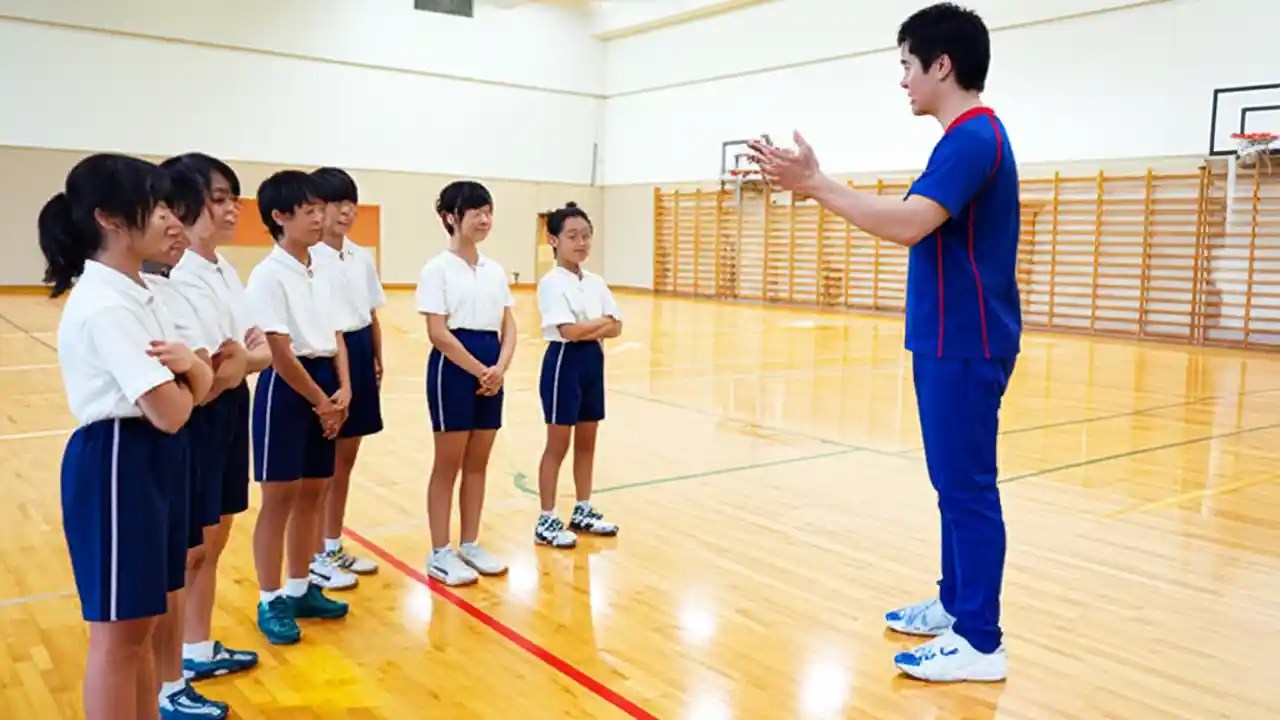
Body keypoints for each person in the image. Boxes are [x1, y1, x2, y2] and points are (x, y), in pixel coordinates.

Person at [749, 2, 1019, 683]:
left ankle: (980, 641)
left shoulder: (973, 139)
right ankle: (956, 604)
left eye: (907, 65)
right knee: (951, 484)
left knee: (967, 488)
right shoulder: (962, 139)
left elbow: (907, 224)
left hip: (966, 341)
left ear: (941, 65)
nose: (902, 80)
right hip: (949, 340)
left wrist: (815, 184)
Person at [40, 153, 214, 720]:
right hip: (118, 460)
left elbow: (196, 384)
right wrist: (194, 376)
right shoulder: (105, 305)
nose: (171, 219)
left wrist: (193, 373)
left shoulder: (141, 293)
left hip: (152, 459)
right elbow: (172, 409)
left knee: (143, 625)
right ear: (110, 218)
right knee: (119, 638)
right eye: (157, 206)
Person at [163, 153, 270, 681]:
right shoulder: (176, 276)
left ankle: (198, 648)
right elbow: (207, 371)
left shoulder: (225, 269)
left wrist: (238, 361)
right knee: (191, 549)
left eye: (234, 199)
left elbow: (256, 353)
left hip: (231, 406)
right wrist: (235, 362)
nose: (232, 209)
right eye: (219, 199)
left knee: (218, 536)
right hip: (197, 418)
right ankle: (169, 670)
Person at [140, 166, 233, 719]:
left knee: (194, 553)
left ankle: (179, 669)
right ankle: (166, 684)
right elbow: (201, 379)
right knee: (171, 567)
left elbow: (240, 352)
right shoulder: (131, 297)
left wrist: (214, 367)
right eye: (165, 214)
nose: (175, 226)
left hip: (193, 424)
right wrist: (209, 369)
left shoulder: (171, 284)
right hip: (158, 438)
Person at [244, 170, 351, 645]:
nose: (319, 218)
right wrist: (320, 401)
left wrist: (344, 389)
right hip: (287, 389)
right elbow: (279, 351)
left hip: (327, 382)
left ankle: (300, 586)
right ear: (279, 216)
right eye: (308, 210)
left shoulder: (324, 267)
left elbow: (339, 334)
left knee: (314, 492)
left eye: (320, 209)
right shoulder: (267, 275)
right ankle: (270, 599)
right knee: (279, 499)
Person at [414, 180, 516, 586]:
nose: (485, 219)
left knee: (478, 463)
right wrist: (479, 370)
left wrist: (500, 368)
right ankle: (440, 551)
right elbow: (438, 333)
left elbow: (509, 325)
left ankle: (470, 543)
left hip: (491, 367)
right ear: (451, 217)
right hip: (453, 369)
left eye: (489, 211)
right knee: (448, 464)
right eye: (476, 212)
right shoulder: (436, 269)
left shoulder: (495, 271)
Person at [306, 166, 385, 589]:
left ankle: (332, 543)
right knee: (322, 461)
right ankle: (312, 553)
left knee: (346, 460)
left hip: (358, 347)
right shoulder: (309, 259)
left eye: (351, 203)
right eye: (337, 203)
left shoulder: (360, 256)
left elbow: (370, 312)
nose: (346, 211)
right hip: (326, 352)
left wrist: (376, 356)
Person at [532, 202, 621, 549]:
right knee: (558, 444)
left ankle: (582, 508)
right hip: (563, 363)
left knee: (587, 441)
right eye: (572, 236)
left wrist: (592, 327)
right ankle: (547, 517)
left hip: (592, 361)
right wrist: (600, 325)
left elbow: (617, 327)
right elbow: (567, 331)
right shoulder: (551, 283)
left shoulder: (596, 282)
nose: (581, 243)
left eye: (586, 236)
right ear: (554, 240)